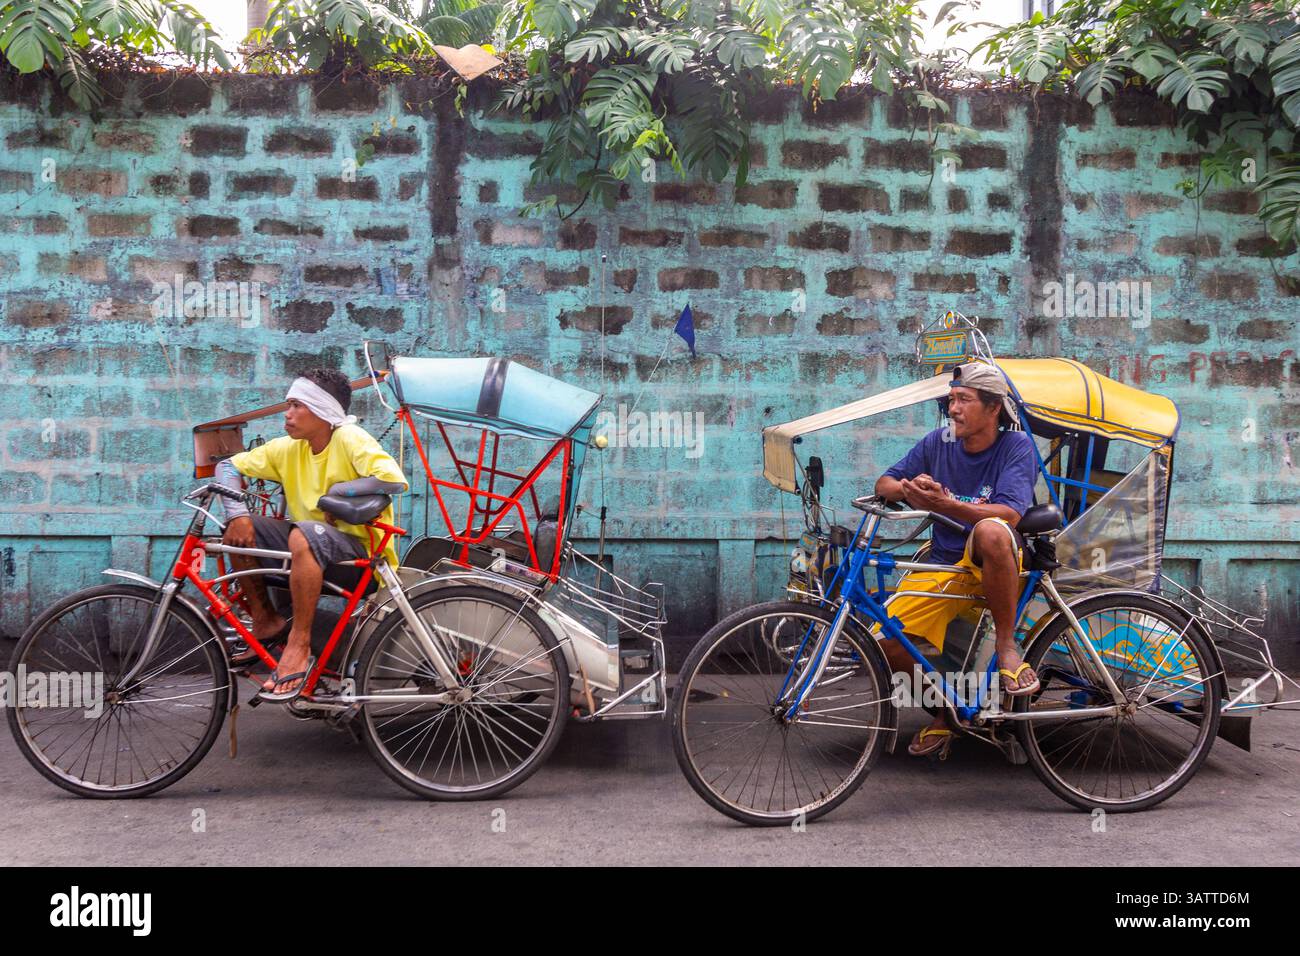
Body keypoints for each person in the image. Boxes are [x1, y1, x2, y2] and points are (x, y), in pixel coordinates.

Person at [872, 362, 1040, 757]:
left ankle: (1006, 647)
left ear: (993, 407)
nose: (954, 409)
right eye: (951, 400)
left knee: (993, 528)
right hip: (943, 562)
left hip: (992, 561)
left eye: (964, 400)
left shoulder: (1016, 447)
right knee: (883, 643)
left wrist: (945, 504)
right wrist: (911, 489)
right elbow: (883, 484)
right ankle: (948, 713)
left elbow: (1011, 514)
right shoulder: (938, 442)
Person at [215, 367, 408, 701]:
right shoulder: (288, 448)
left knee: (304, 533)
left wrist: (339, 492)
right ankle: (265, 620)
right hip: (308, 545)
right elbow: (227, 467)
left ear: (323, 410)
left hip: (363, 556)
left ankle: (298, 644)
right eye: (288, 405)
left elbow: (392, 480)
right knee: (239, 530)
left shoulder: (350, 438)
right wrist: (238, 514)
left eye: (296, 405)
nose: (287, 414)